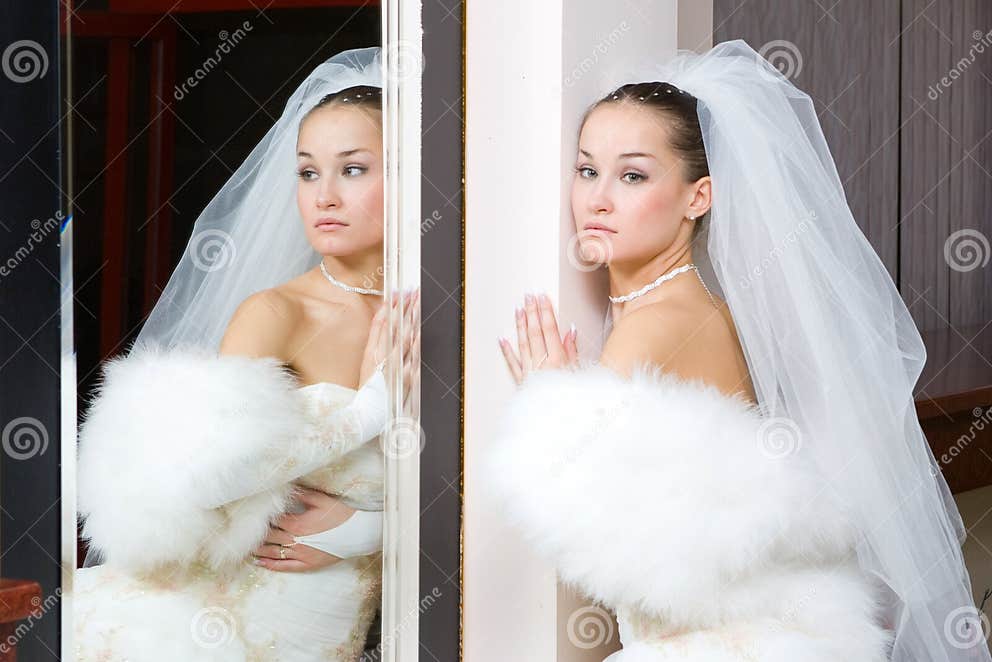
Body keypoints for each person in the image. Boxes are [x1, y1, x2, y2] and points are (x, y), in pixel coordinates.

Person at [485, 40, 990, 661]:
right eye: (588, 170)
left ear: (698, 197)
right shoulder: (701, 308)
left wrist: (550, 406)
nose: (598, 198)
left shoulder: (654, 328)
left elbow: (588, 529)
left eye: (633, 175)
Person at [73, 46, 412, 661]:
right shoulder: (277, 313)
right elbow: (202, 484)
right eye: (307, 172)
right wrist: (369, 410)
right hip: (211, 631)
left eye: (354, 169)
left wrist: (372, 531)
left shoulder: (443, 318)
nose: (324, 196)